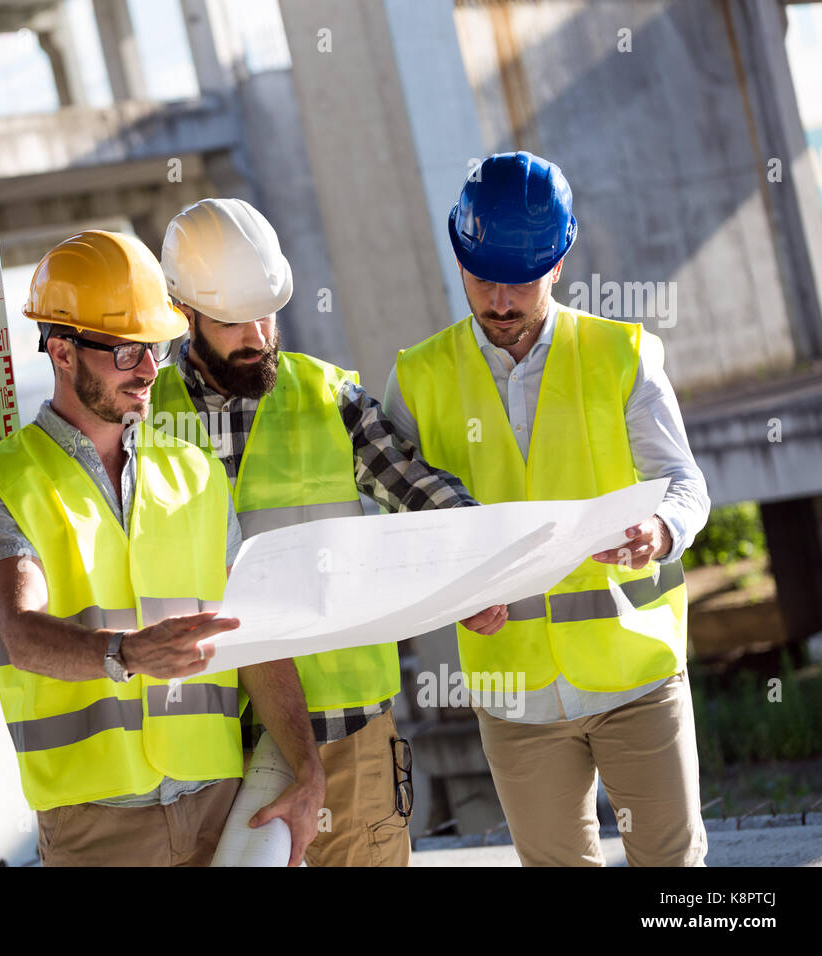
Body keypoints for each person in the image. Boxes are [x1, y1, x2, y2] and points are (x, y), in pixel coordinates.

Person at [0, 230, 324, 866]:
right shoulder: (2, 482)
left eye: (155, 348)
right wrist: (129, 654)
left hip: (218, 808)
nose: (148, 370)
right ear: (62, 352)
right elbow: (23, 635)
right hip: (98, 828)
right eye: (125, 352)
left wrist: (307, 770)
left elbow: (252, 637)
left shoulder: (196, 474)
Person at [385, 151, 710, 866]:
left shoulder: (620, 355)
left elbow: (685, 483)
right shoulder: (417, 378)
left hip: (637, 675)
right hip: (514, 695)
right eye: (483, 280)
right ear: (459, 259)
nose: (501, 302)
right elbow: (399, 532)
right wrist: (450, 593)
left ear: (558, 265)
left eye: (521, 283)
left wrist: (661, 530)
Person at [150, 198, 479, 866]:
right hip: (210, 746)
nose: (256, 336)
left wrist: (487, 563)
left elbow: (419, 490)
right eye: (232, 321)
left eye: (267, 313)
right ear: (183, 312)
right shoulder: (142, 419)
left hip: (344, 729)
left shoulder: (329, 398)